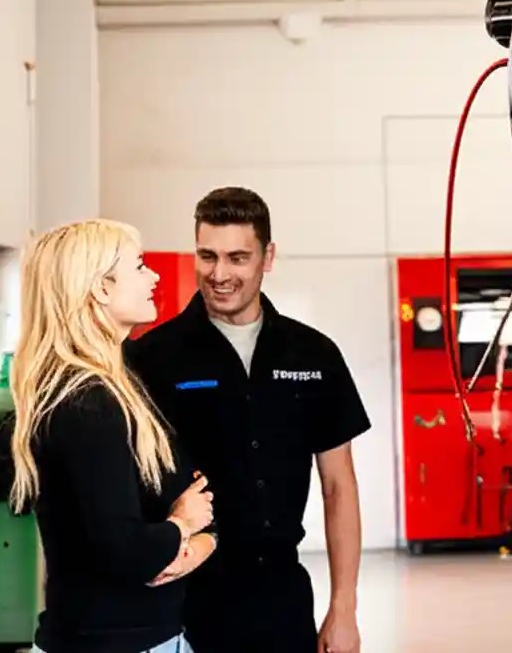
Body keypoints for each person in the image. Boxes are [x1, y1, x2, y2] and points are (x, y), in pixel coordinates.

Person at [125, 187, 371, 653]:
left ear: (267, 257)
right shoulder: (152, 358)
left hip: (281, 599)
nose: (219, 274)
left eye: (237, 258)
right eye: (207, 256)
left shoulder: (313, 354)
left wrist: (344, 607)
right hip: (182, 603)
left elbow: (339, 485)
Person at [8, 218, 218, 653]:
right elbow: (126, 551)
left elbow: (196, 501)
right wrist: (182, 525)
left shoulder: (119, 386)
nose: (153, 276)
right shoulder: (87, 403)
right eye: (139, 266)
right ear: (101, 288)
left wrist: (198, 542)